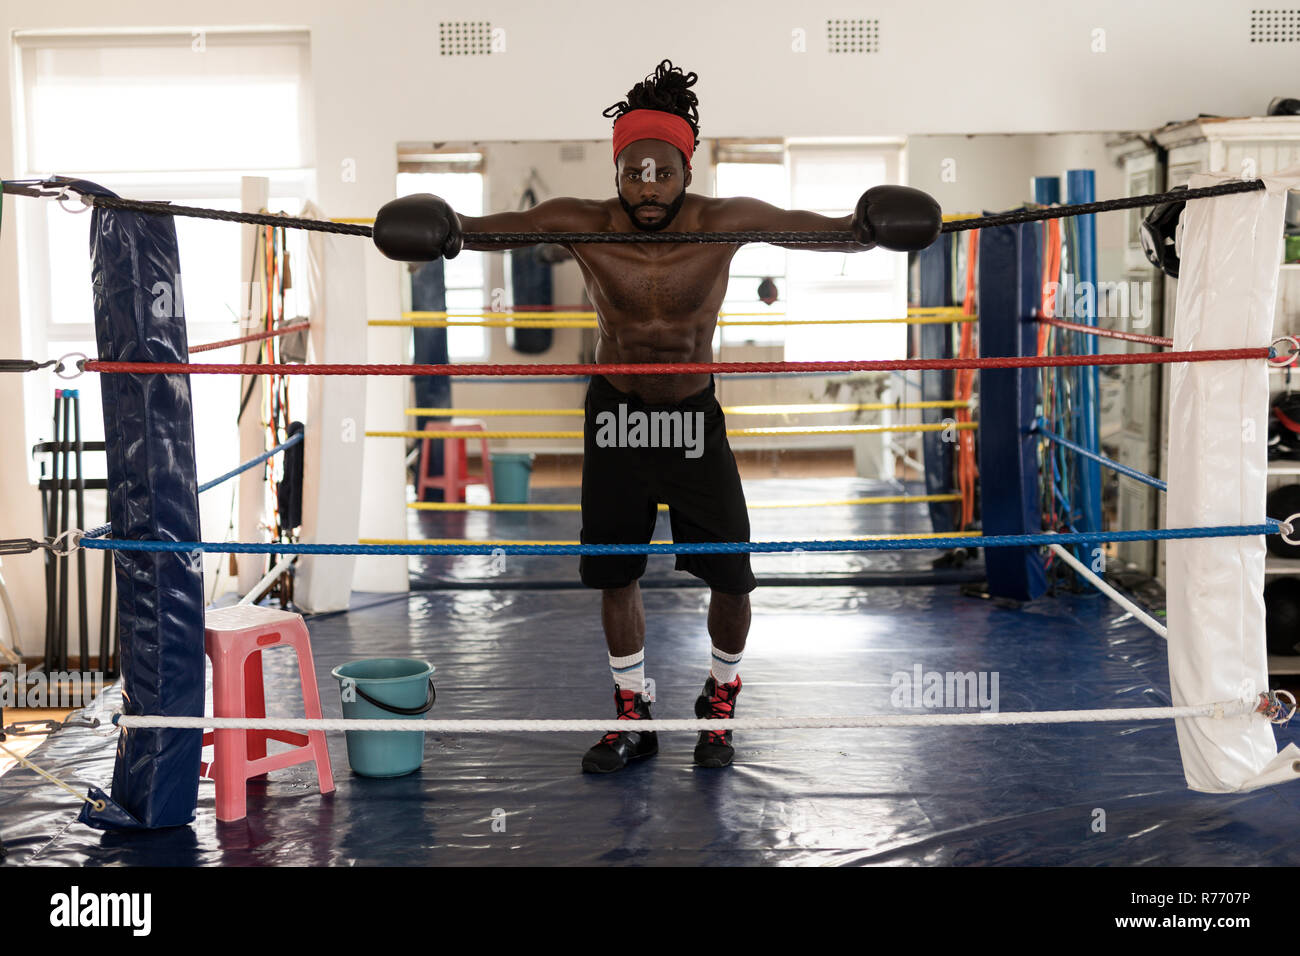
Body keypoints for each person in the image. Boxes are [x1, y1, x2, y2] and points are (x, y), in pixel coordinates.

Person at [371, 60, 941, 773]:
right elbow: (489, 229)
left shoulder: (725, 221)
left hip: (693, 419)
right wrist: (444, 226)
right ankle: (632, 714)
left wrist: (865, 228)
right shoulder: (583, 222)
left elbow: (818, 231)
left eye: (661, 173)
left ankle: (721, 695)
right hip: (618, 414)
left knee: (733, 576)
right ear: (617, 171)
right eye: (633, 172)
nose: (646, 187)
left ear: (685, 171)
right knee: (617, 571)